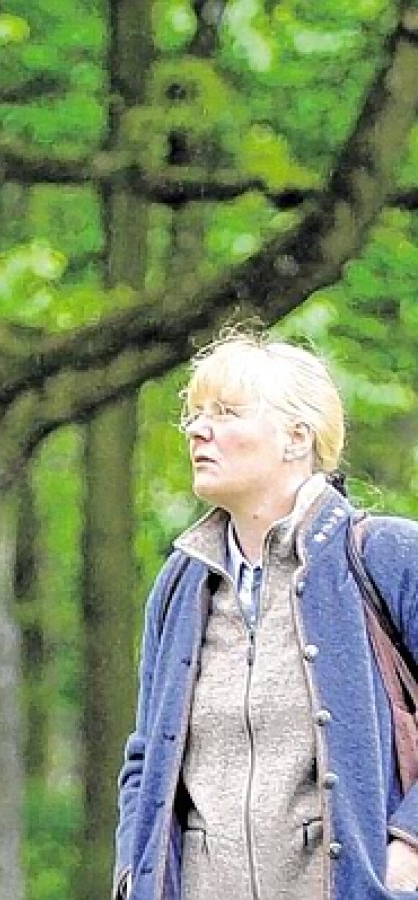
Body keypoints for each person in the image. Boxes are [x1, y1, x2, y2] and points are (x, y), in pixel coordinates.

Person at [115, 330, 418, 898]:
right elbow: (144, 758)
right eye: (195, 416)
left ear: (296, 437)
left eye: (226, 413)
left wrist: (408, 850)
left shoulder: (389, 557)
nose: (198, 430)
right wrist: (135, 874)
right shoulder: (181, 583)